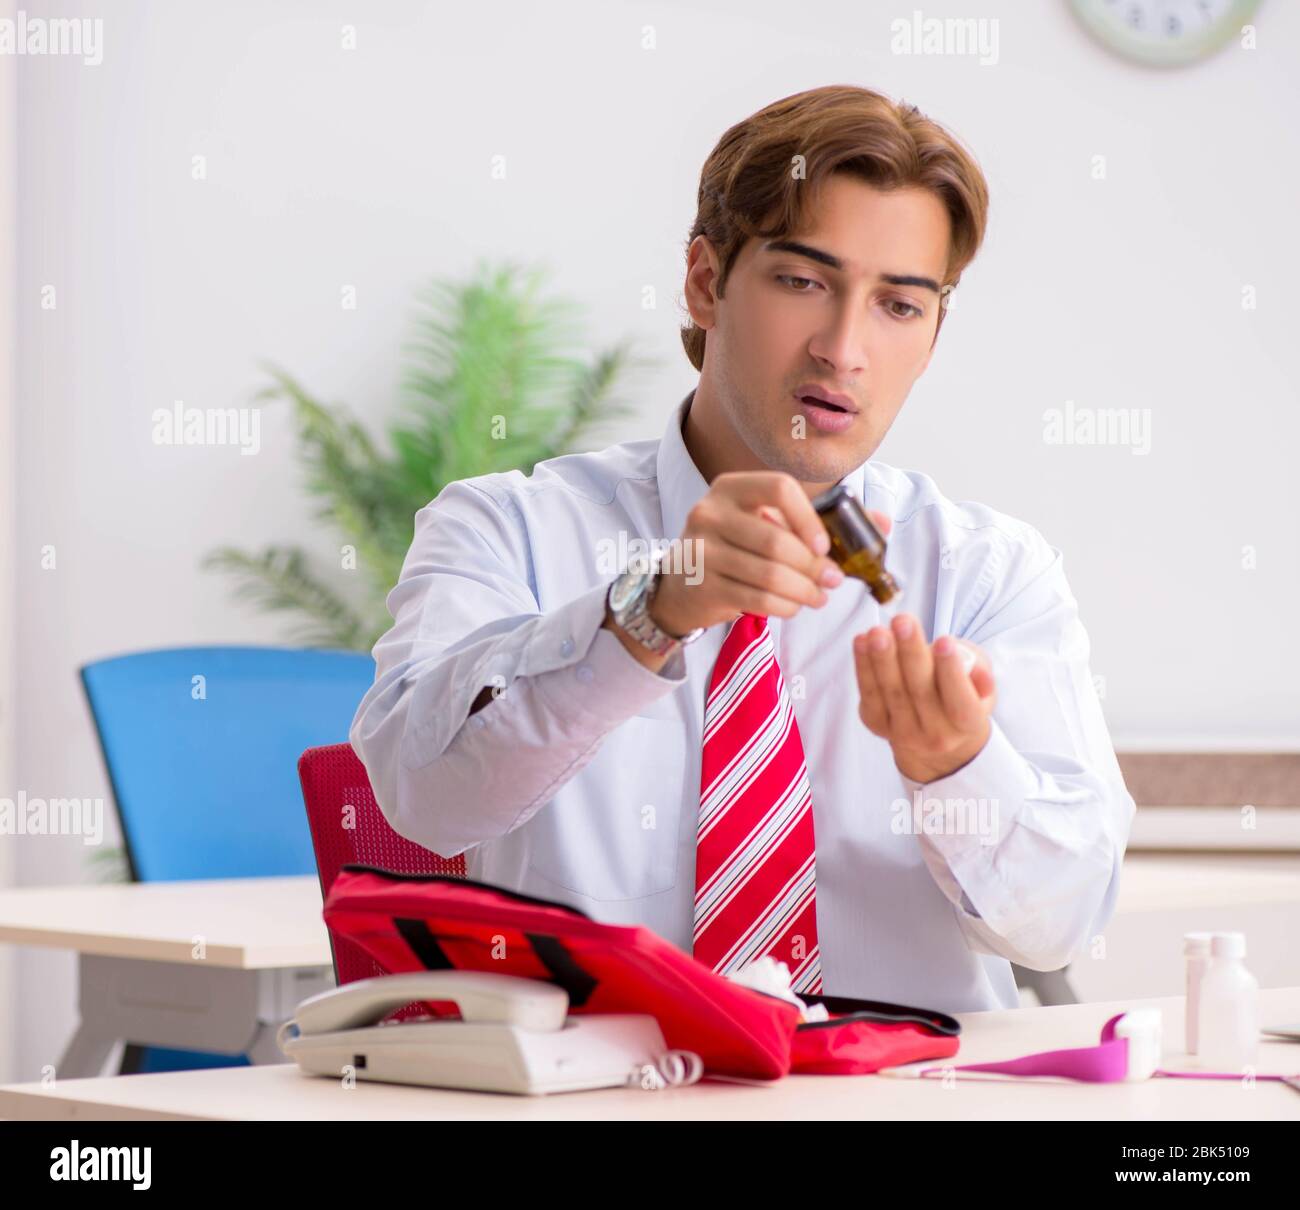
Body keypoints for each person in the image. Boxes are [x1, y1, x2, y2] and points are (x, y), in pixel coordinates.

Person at [350, 84, 1135, 1013]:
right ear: (704, 281)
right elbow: (424, 799)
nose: (844, 349)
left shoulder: (986, 574)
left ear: (932, 337)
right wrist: (644, 615)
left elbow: (1064, 925)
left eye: (898, 306)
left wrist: (960, 768)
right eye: (804, 282)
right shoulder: (509, 529)